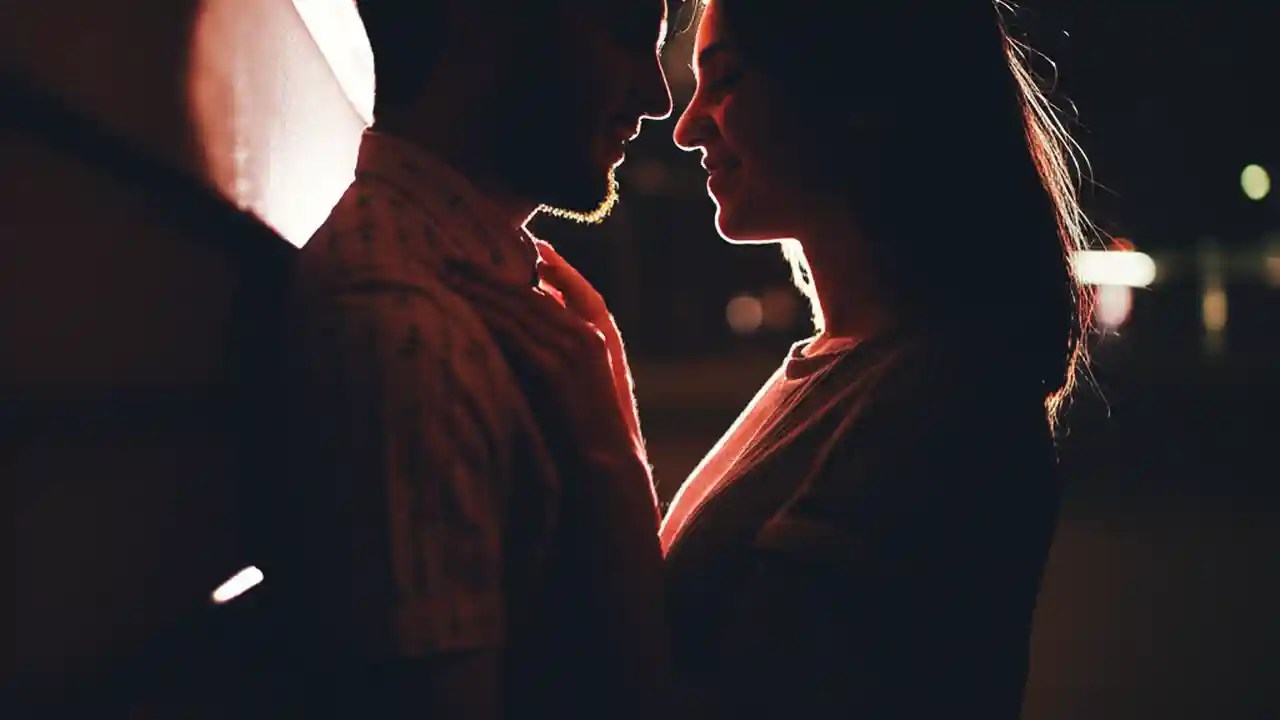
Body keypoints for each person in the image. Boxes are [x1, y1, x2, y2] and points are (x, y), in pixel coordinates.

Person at [452, 0, 1094, 717]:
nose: (687, 125)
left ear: (848, 91)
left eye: (724, 82)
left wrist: (602, 446)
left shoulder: (941, 399)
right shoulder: (844, 369)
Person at [280, 1, 678, 717]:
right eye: (623, 34)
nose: (657, 97)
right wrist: (613, 476)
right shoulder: (403, 324)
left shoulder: (505, 301)